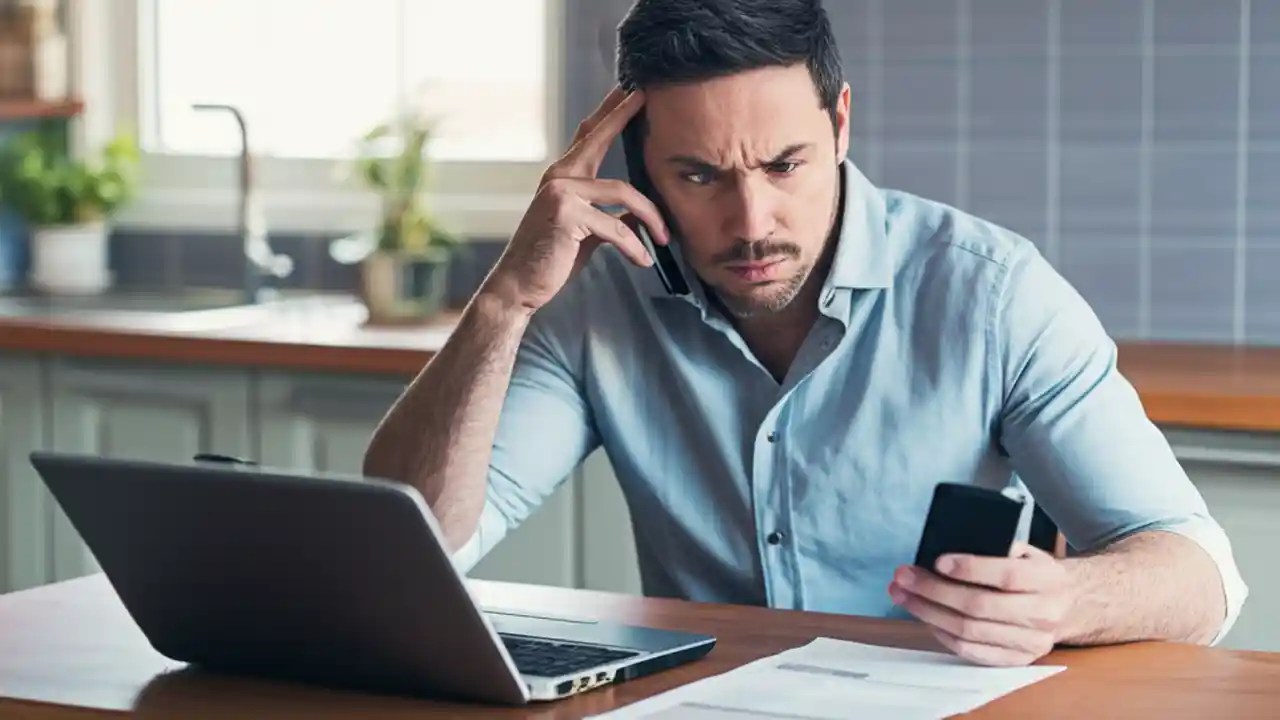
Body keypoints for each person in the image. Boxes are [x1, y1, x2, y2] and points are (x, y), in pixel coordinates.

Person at [364, 0, 1246, 666]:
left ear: (840, 125)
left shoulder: (992, 294)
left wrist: (1067, 602)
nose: (753, 222)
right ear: (640, 172)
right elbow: (417, 543)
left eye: (785, 165)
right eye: (699, 175)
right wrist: (504, 301)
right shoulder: (602, 302)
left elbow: (1202, 576)